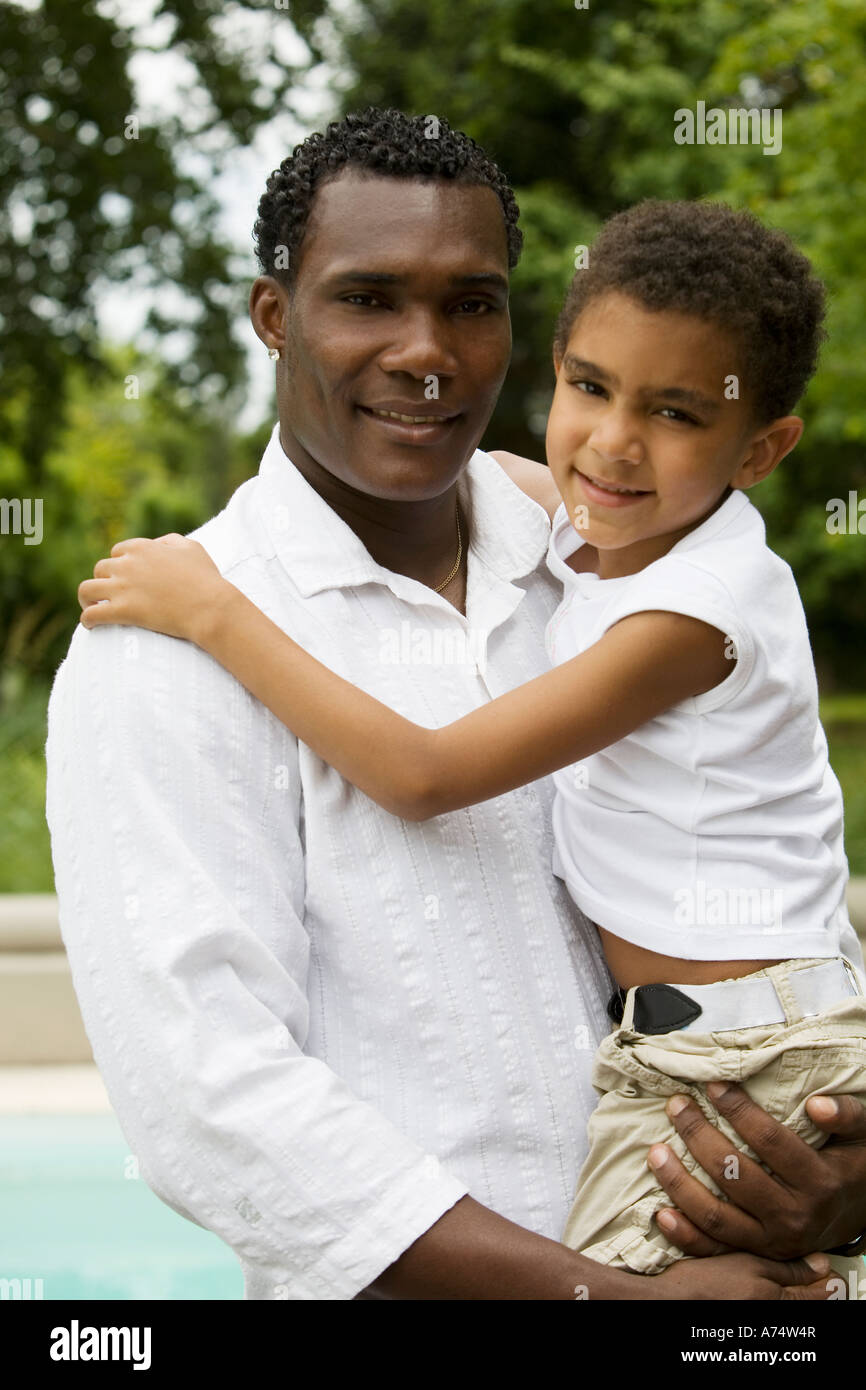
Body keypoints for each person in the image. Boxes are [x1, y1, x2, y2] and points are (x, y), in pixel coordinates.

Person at [52, 111, 866, 1301]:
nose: (425, 353)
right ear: (274, 318)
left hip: (730, 1225)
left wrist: (845, 1163)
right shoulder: (165, 649)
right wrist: (605, 1303)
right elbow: (211, 1102)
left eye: (471, 305)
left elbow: (774, 888)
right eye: (367, 299)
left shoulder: (596, 563)